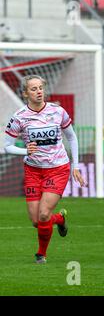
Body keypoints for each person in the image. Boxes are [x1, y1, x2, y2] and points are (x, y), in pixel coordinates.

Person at [3, 75, 86, 264]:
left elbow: (72, 138)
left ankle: (41, 254)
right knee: (36, 220)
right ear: (25, 93)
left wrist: (75, 165)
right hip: (33, 170)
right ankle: (60, 219)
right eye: (33, 89)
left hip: (57, 168)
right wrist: (25, 150)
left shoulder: (58, 111)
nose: (39, 91)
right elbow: (7, 146)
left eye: (41, 87)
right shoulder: (19, 117)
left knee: (42, 214)